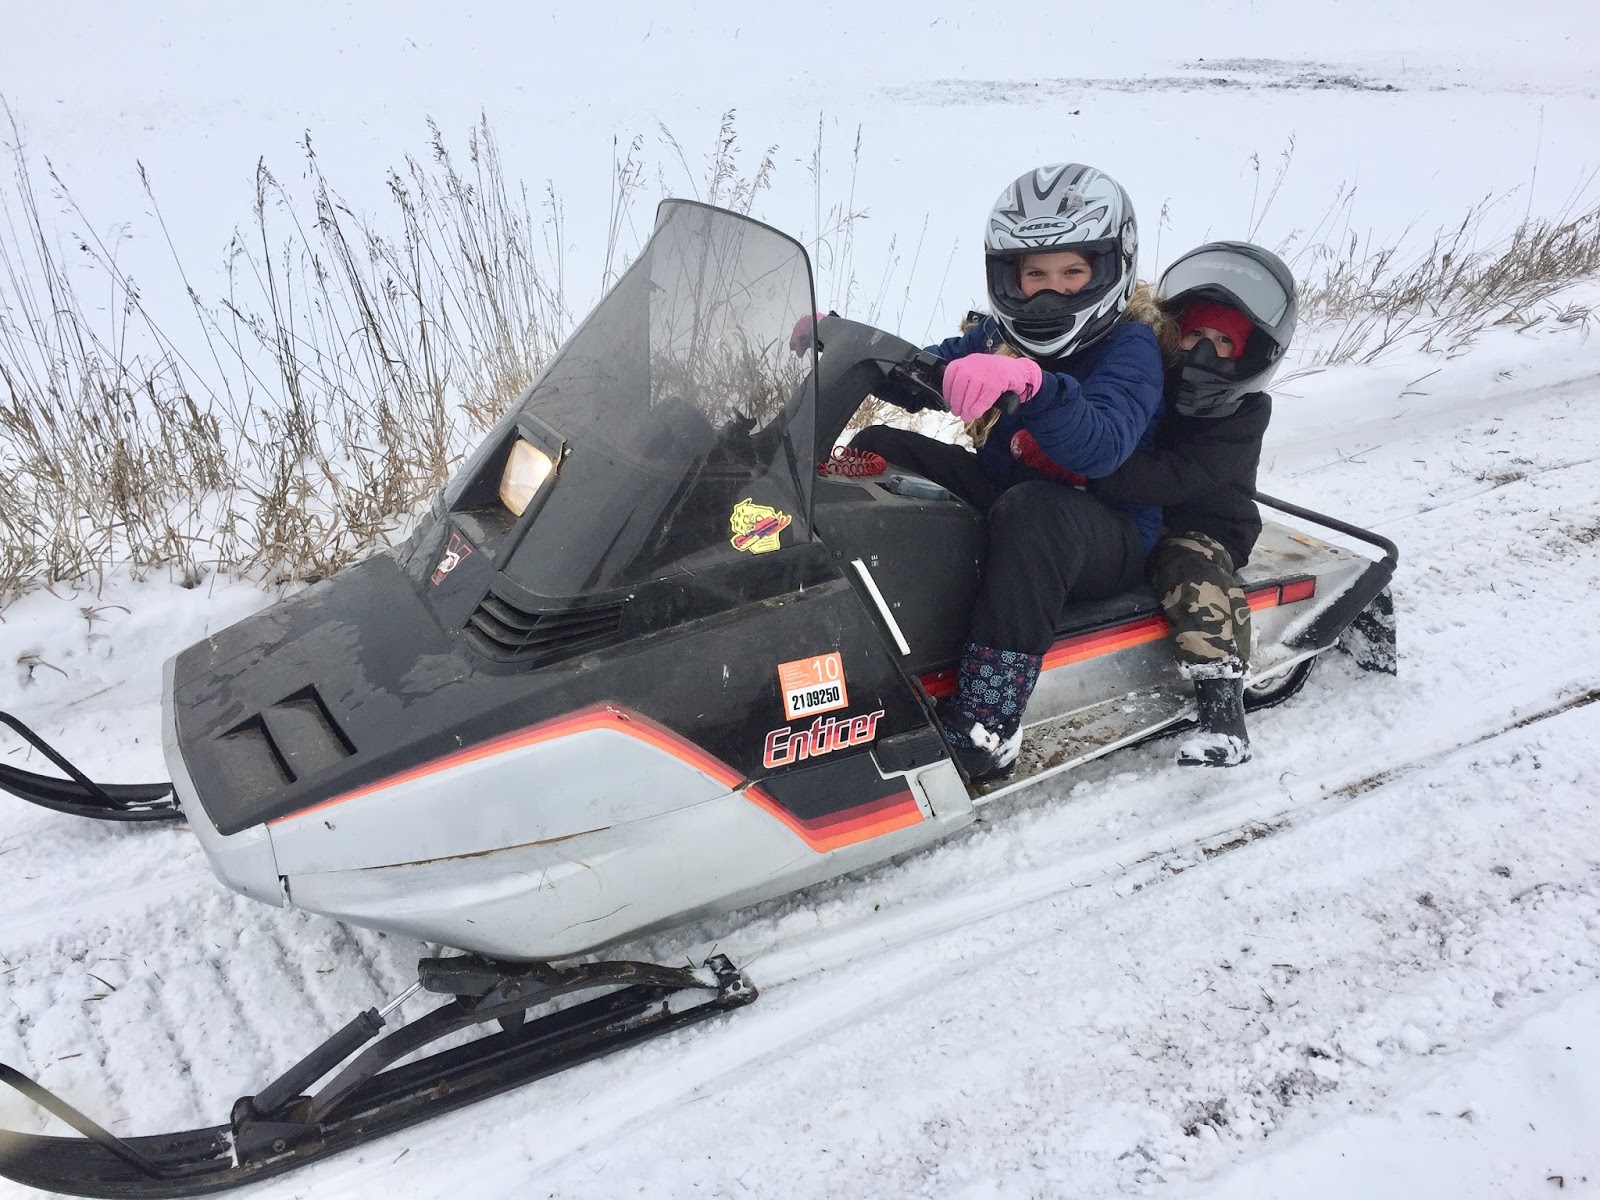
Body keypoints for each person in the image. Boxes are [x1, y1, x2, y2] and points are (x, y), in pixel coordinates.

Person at [847, 162, 1169, 783]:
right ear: (1010, 276)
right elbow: (931, 372)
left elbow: (1101, 445)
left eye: (1073, 273)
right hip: (1011, 494)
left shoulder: (1131, 346)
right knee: (879, 446)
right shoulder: (1000, 334)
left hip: (1107, 531)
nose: (1052, 292)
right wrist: (861, 352)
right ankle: (876, 617)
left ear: (1111, 269)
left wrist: (1036, 385)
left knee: (1034, 512)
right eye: (1035, 274)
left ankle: (989, 723)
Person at [1089, 241, 1299, 767]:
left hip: (1206, 523)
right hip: (1135, 510)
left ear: (1249, 353)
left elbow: (1181, 476)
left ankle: (1223, 712)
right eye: (1195, 334)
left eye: (1223, 341)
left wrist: (1094, 470)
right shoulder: (1151, 381)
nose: (1205, 350)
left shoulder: (1243, 413)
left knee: (1189, 575)